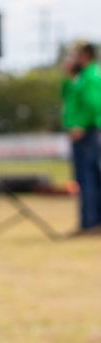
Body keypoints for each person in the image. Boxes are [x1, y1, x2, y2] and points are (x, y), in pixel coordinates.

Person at [62, 41, 101, 234]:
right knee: (87, 177)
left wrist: (81, 125)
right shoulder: (82, 77)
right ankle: (89, 222)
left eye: (76, 55)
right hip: (88, 132)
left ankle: (91, 223)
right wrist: (69, 77)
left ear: (84, 55)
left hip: (88, 133)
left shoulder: (91, 76)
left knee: (88, 178)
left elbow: (94, 105)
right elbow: (68, 97)